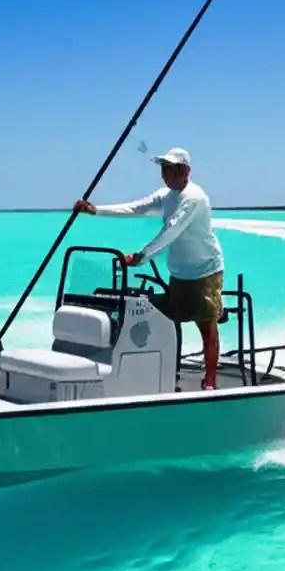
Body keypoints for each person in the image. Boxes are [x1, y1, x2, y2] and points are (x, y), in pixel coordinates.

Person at [73, 147, 225, 390]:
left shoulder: (193, 197)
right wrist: (95, 210)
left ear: (185, 171)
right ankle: (166, 370)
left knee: (206, 326)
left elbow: (171, 229)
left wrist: (141, 256)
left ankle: (209, 383)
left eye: (170, 169)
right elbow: (137, 208)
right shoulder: (166, 195)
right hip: (179, 272)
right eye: (163, 169)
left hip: (205, 270)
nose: (164, 174)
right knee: (169, 317)